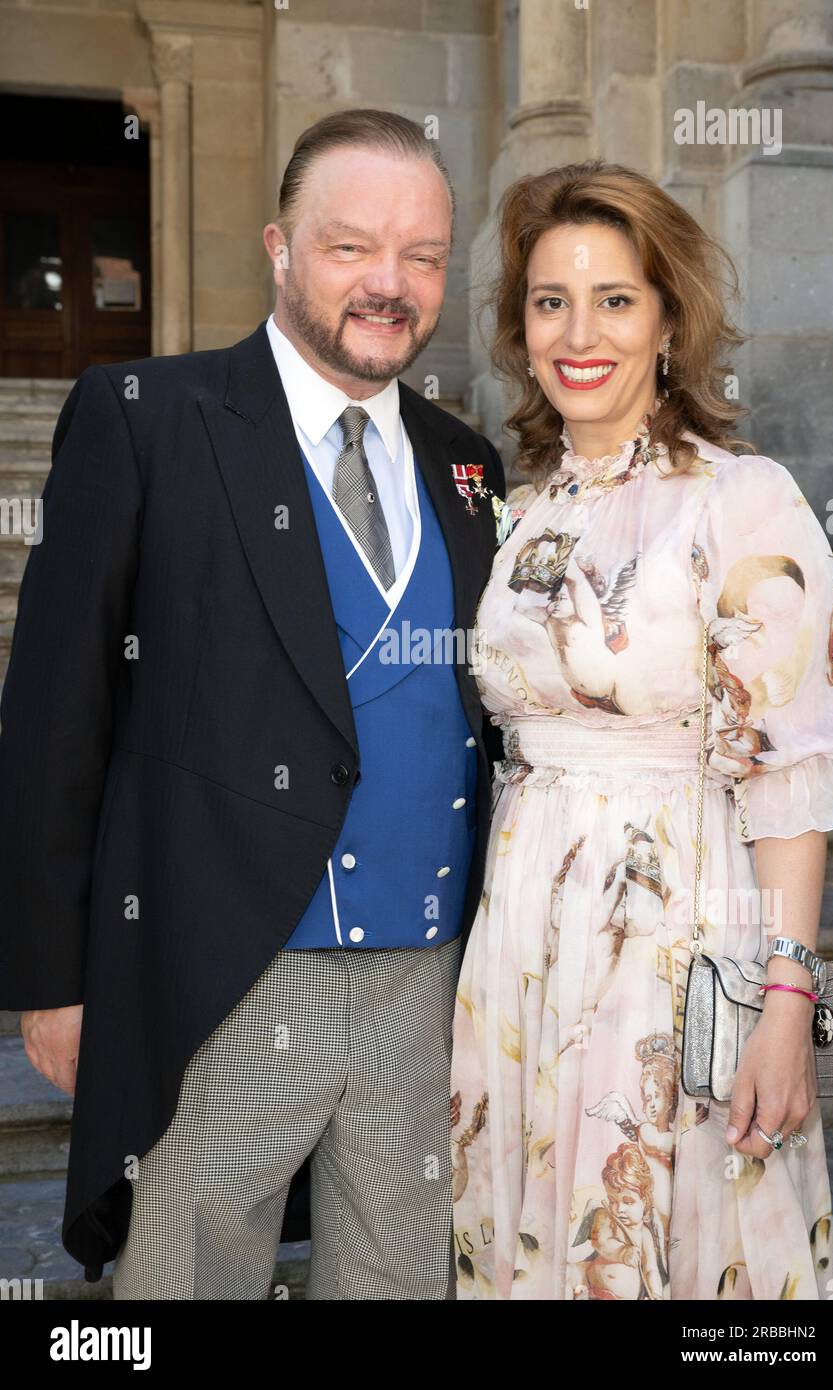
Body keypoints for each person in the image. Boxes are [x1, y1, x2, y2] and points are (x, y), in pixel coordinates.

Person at [0, 107, 506, 1299]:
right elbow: (51, 712)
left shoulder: (467, 461)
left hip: (424, 976)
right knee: (185, 1274)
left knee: (395, 1281)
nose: (389, 283)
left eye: (422, 257)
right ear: (278, 249)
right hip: (219, 966)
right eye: (350, 248)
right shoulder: (144, 418)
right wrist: (55, 977)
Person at [449, 159, 833, 1300]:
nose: (578, 332)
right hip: (519, 942)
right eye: (549, 301)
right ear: (518, 326)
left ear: (669, 321)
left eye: (615, 298)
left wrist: (788, 1005)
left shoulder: (741, 500)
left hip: (677, 932)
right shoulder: (520, 507)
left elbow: (788, 781)